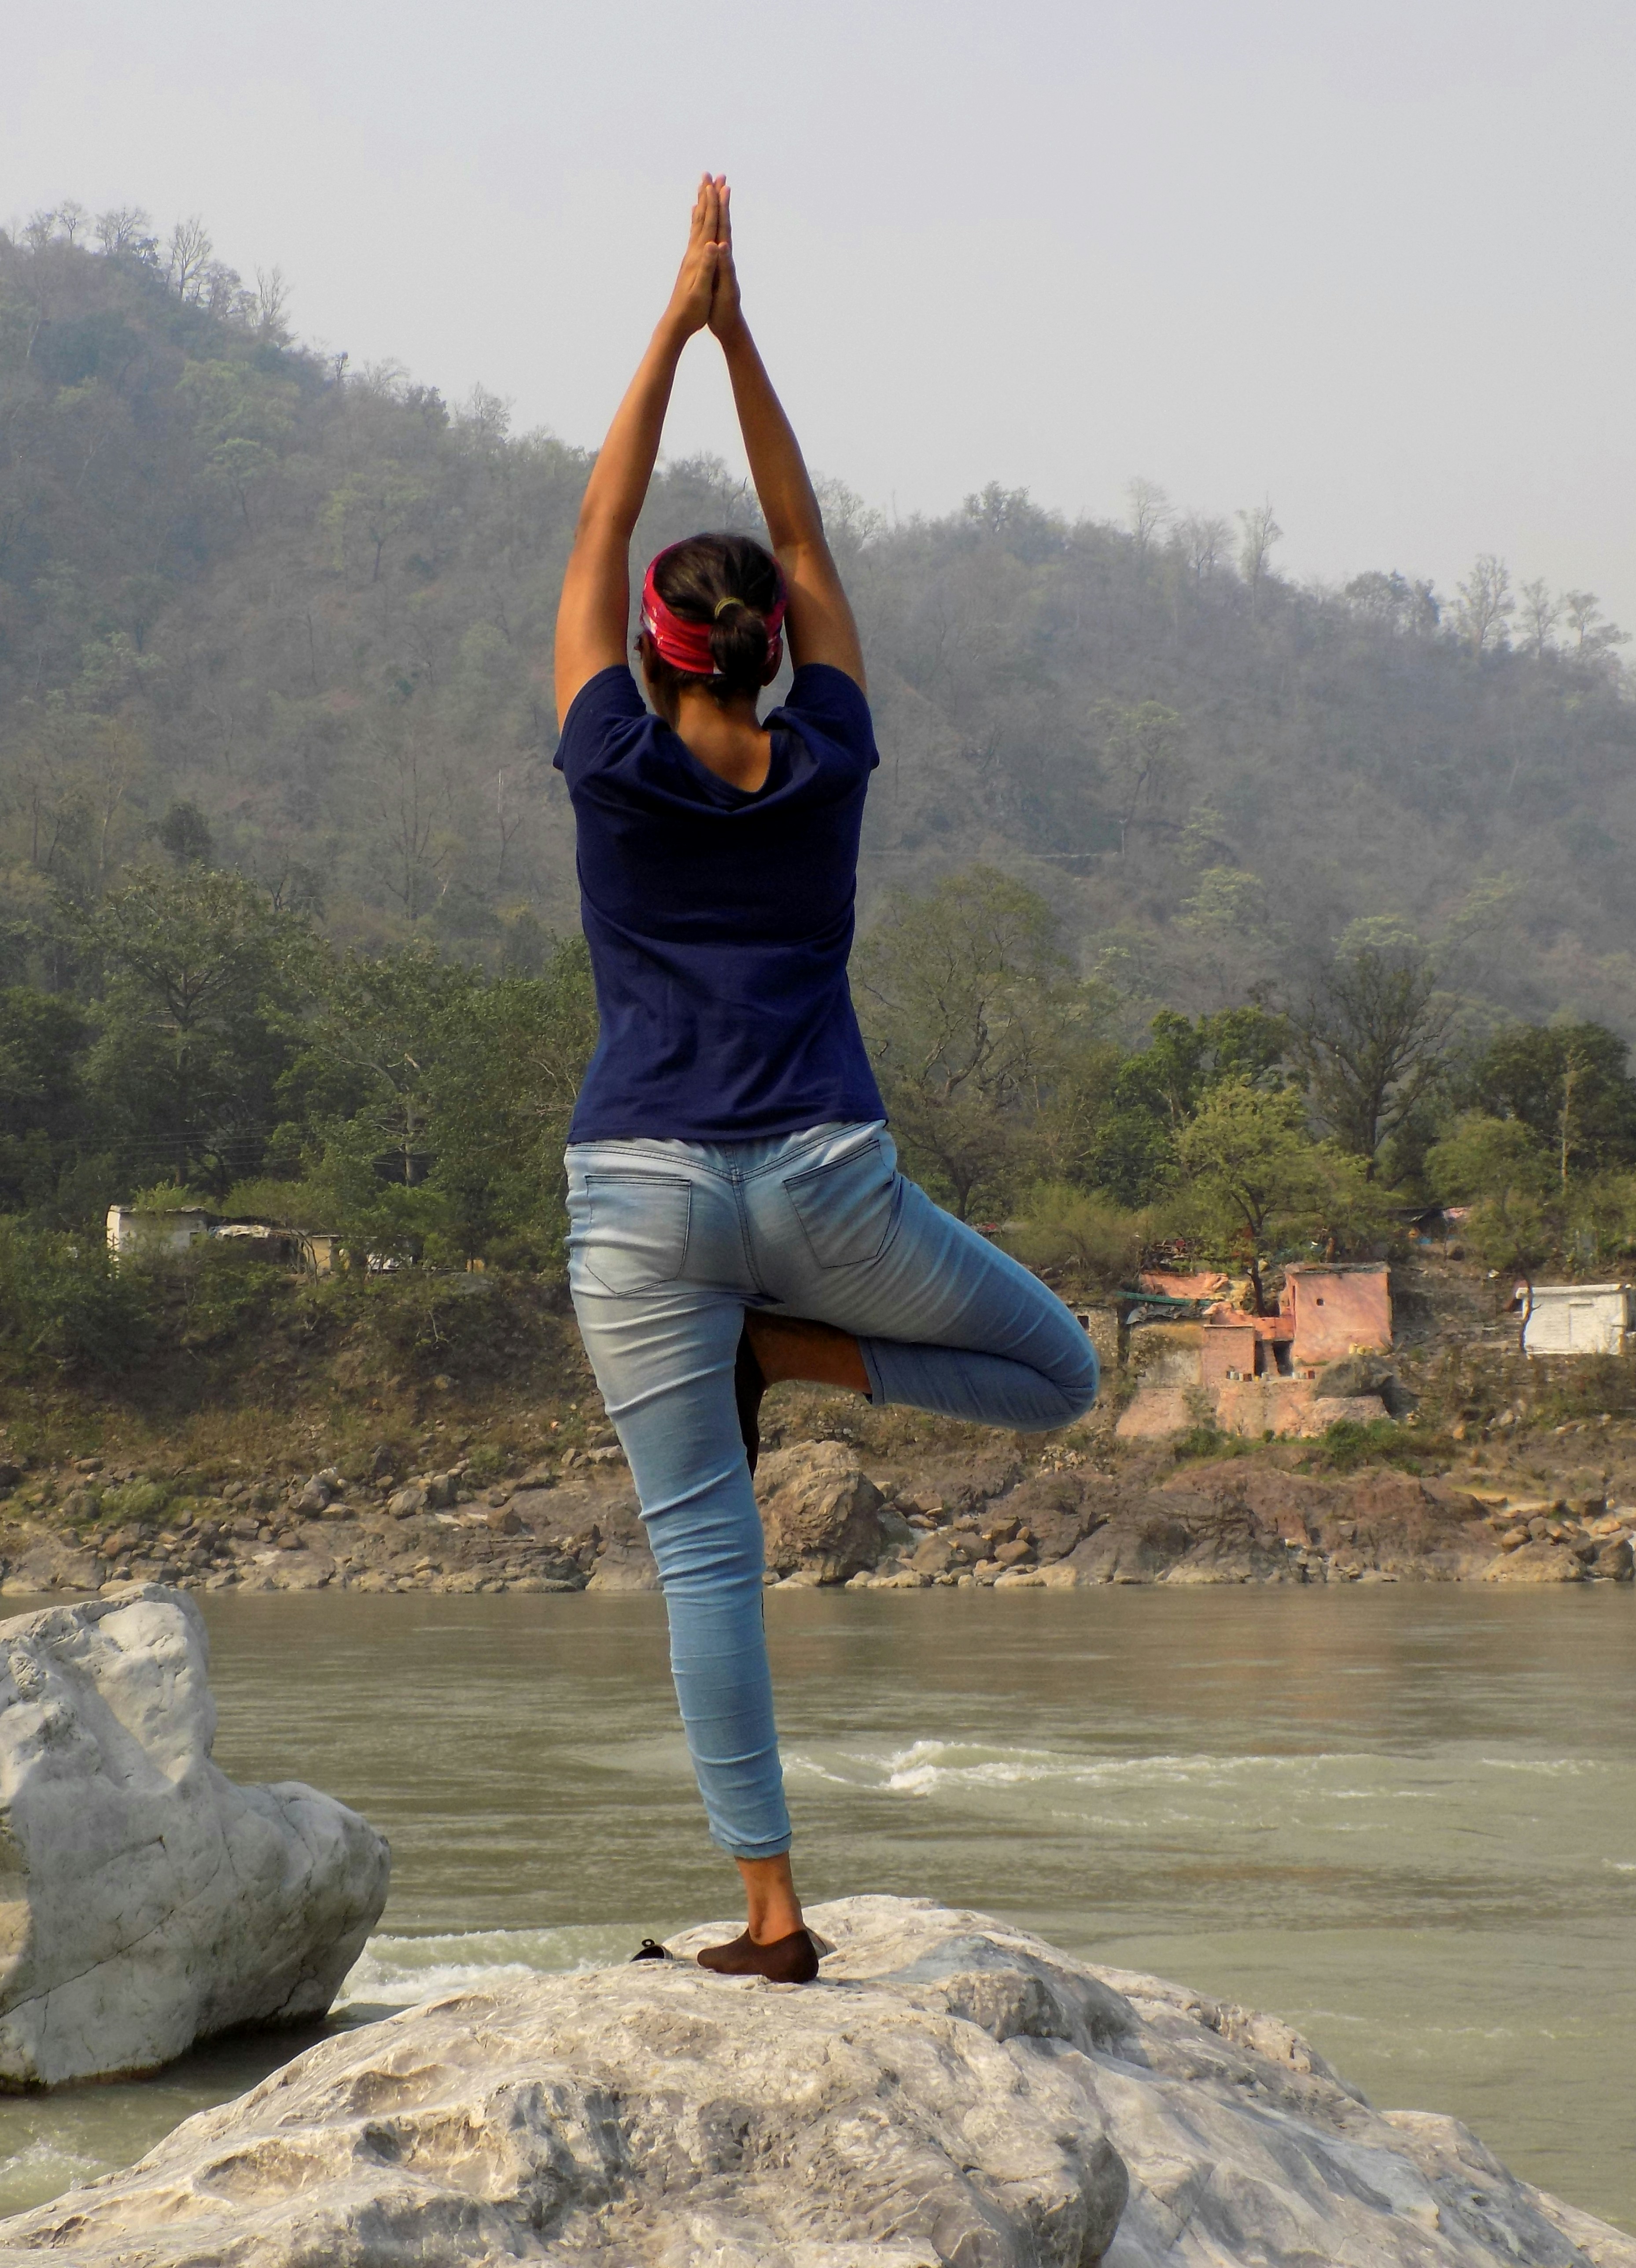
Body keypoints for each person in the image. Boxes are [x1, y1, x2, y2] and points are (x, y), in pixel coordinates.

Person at [553, 176, 1098, 1984]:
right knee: (1062, 1370)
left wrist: (668, 319)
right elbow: (800, 528)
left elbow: (601, 515)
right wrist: (740, 329)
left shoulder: (609, 754)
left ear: (649, 646)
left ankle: (774, 1918)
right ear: (777, 643)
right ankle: (795, 1350)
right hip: (823, 1187)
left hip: (636, 1197)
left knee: (710, 1563)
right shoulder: (832, 750)